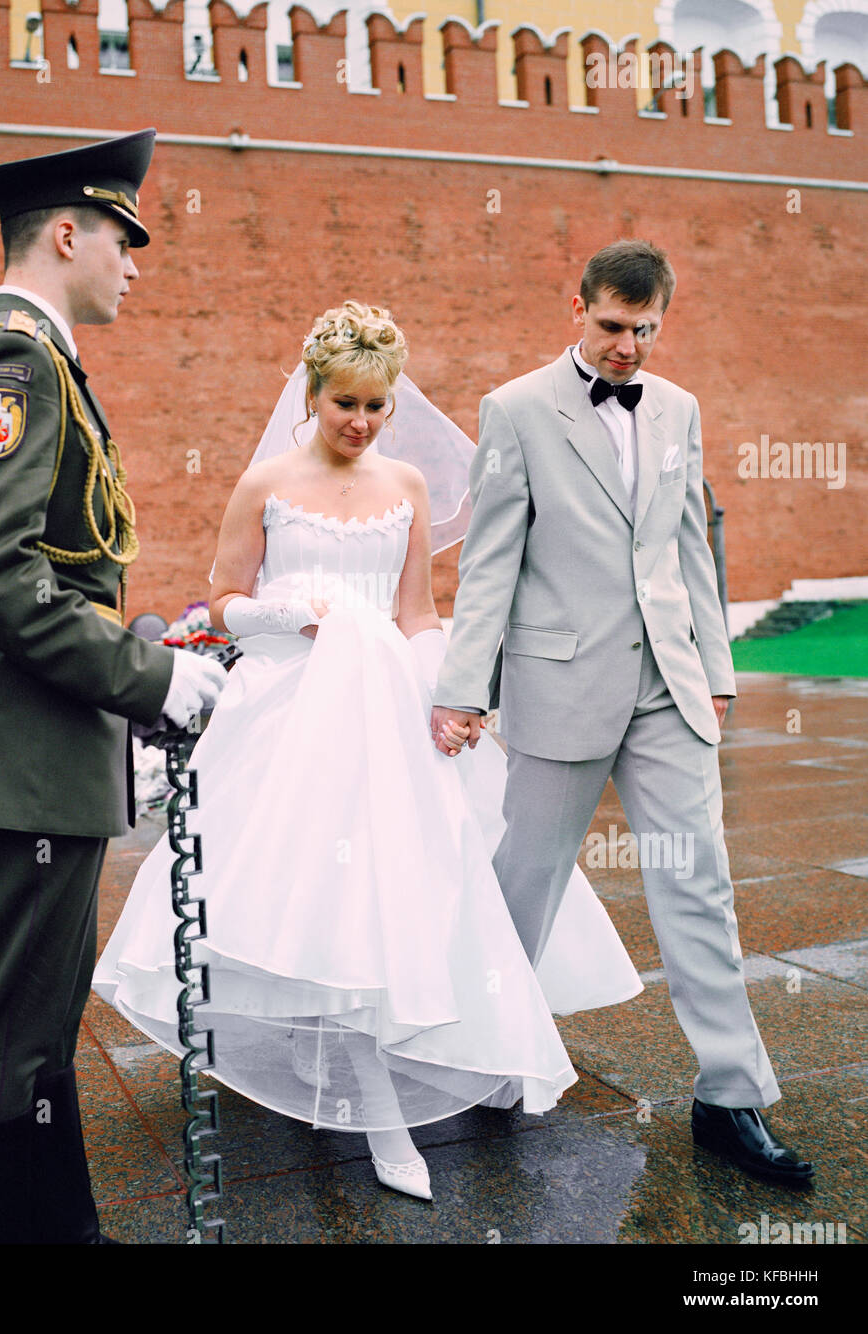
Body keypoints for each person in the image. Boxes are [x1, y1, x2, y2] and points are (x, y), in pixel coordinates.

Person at [93, 301, 643, 1203]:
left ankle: (470, 1043)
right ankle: (369, 1103)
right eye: (345, 402)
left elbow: (418, 609)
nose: (359, 421)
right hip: (288, 705)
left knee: (421, 878)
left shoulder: (408, 487)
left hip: (387, 697)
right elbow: (224, 598)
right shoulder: (263, 481)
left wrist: (447, 695)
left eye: (376, 406)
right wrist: (285, 615)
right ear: (310, 393)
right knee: (311, 888)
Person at [430, 240, 814, 1186]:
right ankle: (488, 1060)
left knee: (700, 891)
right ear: (577, 308)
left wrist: (713, 670)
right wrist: (462, 689)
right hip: (558, 686)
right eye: (611, 326)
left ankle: (731, 1097)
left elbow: (689, 550)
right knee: (527, 883)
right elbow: (489, 564)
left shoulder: (678, 408)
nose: (627, 348)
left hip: (667, 692)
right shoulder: (516, 410)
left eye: (644, 330)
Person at [0, 128, 227, 1243]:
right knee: (12, 1039)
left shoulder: (39, 359)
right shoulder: (13, 362)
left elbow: (59, 564)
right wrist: (154, 678)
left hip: (41, 751)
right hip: (23, 753)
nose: (134, 262)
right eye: (122, 236)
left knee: (41, 1032)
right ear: (64, 234)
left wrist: (140, 634)